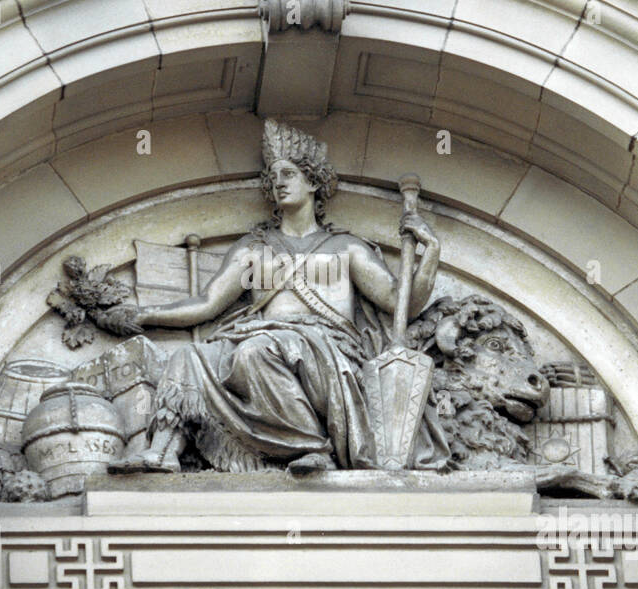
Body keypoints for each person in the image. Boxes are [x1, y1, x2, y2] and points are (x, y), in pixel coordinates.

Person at [113, 119, 449, 473]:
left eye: (288, 174)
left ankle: (314, 446)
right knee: (189, 357)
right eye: (273, 177)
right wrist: (145, 315)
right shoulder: (254, 248)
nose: (279, 183)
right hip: (263, 342)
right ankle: (163, 452)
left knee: (258, 349)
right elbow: (206, 304)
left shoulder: (346, 248)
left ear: (314, 182)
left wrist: (431, 251)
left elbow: (403, 304)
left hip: (326, 352)